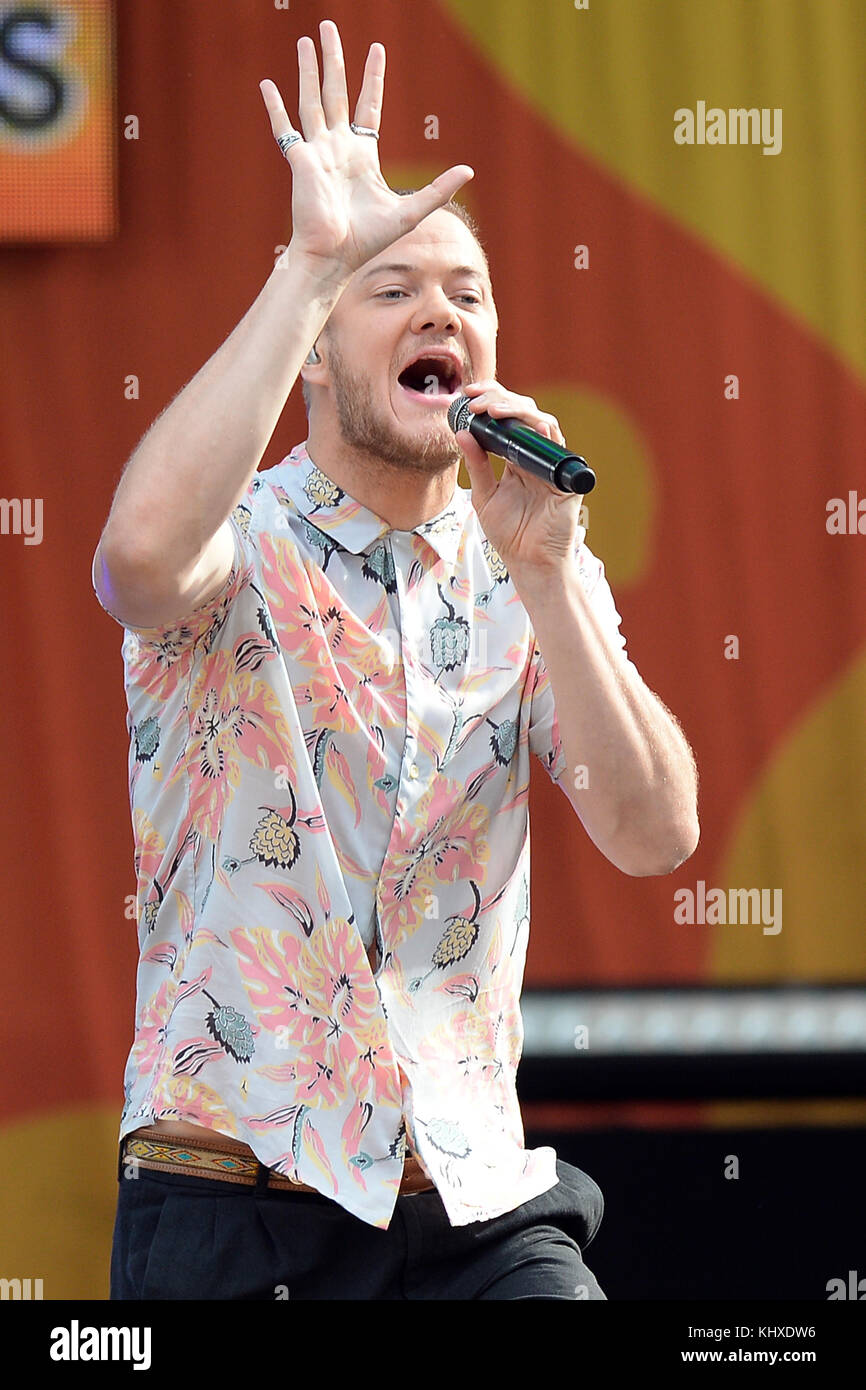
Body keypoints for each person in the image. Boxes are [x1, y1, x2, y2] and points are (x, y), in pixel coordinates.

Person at [93, 19, 699, 1301]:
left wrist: (546, 575)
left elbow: (653, 832)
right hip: (237, 1198)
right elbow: (136, 562)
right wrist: (313, 258)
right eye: (390, 286)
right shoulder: (237, 538)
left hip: (476, 1206)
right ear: (313, 343)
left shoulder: (530, 561)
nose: (439, 307)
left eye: (466, 294)